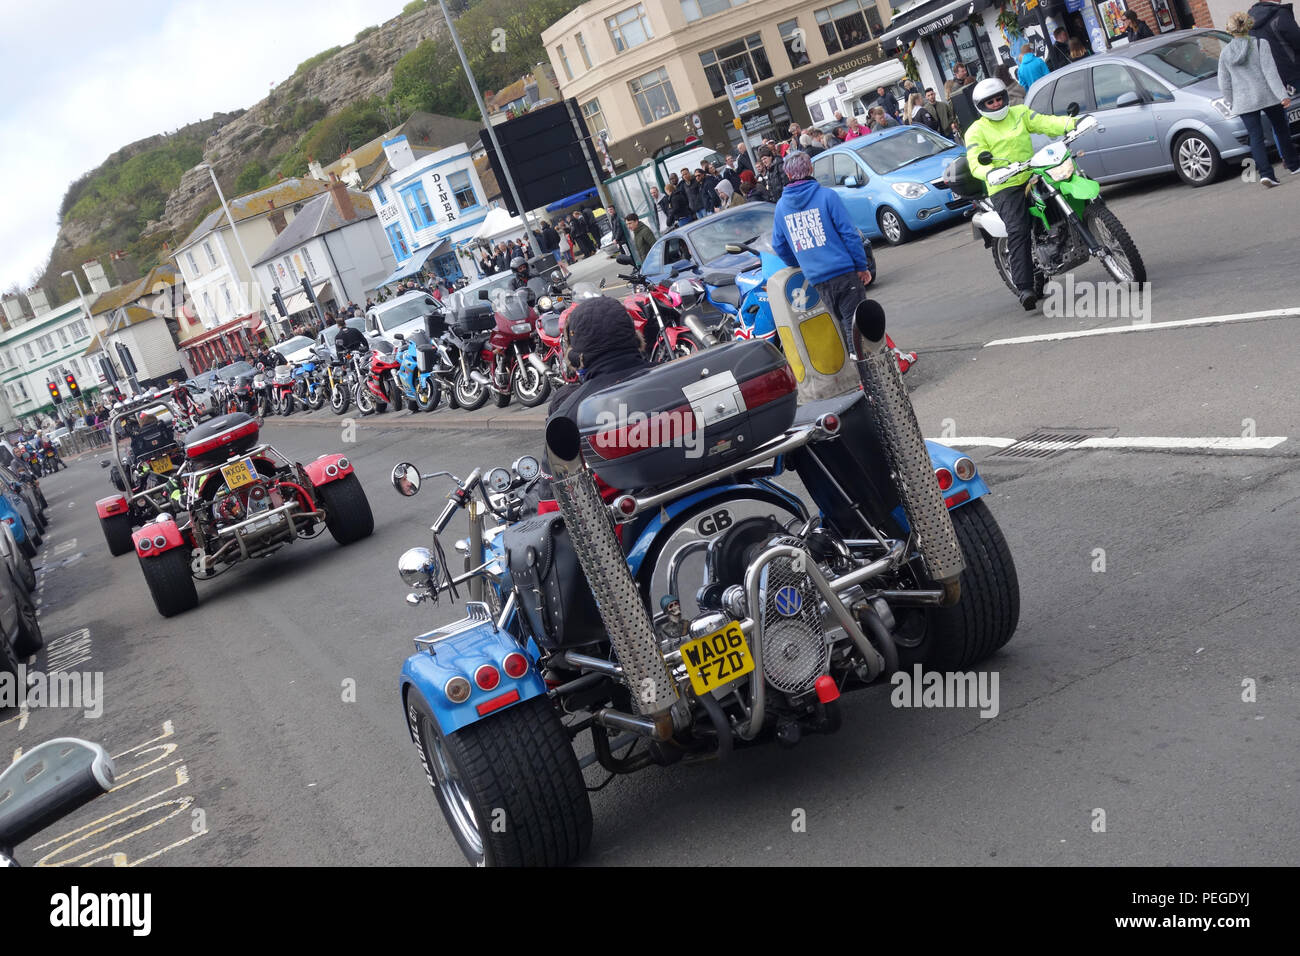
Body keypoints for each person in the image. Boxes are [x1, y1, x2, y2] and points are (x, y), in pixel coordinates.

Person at [965, 77, 1077, 310]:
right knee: (1018, 229)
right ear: (981, 106)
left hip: (1032, 172)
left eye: (998, 99)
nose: (996, 104)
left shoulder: (1019, 112)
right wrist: (990, 172)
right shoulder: (976, 131)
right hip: (1004, 185)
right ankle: (1025, 287)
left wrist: (1070, 123)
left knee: (1069, 186)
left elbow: (1045, 122)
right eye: (990, 102)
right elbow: (976, 160)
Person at [769, 151, 872, 341]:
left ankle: (858, 364)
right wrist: (861, 266)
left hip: (817, 279)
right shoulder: (827, 196)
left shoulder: (781, 207)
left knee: (843, 326)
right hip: (843, 272)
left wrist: (800, 261)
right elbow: (849, 234)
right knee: (857, 328)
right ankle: (864, 368)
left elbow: (779, 244)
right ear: (810, 169)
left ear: (789, 175)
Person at [1218, 10, 1300, 186]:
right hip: (1267, 95)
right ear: (1249, 25)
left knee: (1255, 137)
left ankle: (1266, 174)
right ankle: (1293, 165)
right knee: (1280, 129)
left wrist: (1232, 101)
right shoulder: (1261, 44)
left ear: (1229, 30)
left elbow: (1224, 82)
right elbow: (1270, 73)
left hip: (1243, 100)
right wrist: (1282, 95)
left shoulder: (1225, 53)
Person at [1248, 0, 1300, 100]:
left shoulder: (1248, 18)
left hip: (1270, 80)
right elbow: (1297, 40)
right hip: (1293, 73)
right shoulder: (1280, 13)